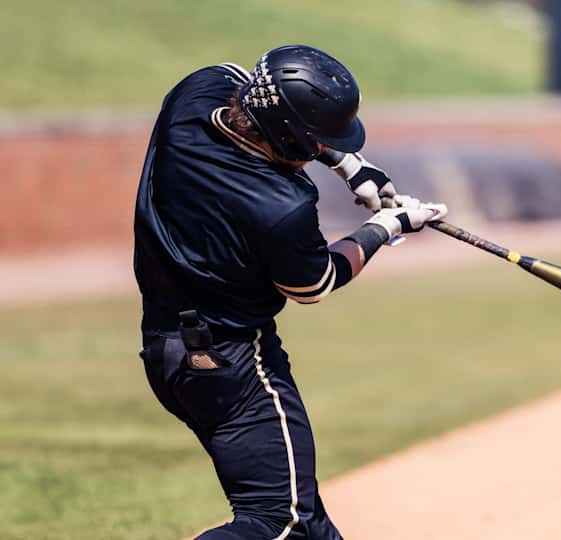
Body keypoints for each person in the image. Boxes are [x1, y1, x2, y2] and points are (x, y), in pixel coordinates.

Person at [133, 45, 447, 539]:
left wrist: (350, 165)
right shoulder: (281, 205)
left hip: (167, 352)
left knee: (306, 520)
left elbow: (253, 99)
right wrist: (387, 226)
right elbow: (314, 283)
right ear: (290, 138)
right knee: (280, 522)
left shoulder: (192, 99)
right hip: (235, 366)